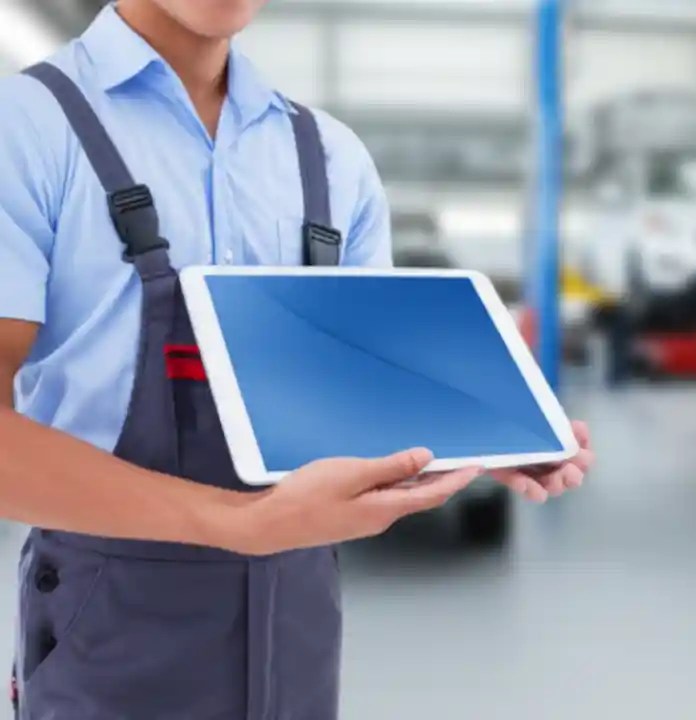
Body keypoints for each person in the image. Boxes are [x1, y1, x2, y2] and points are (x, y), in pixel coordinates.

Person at [0, 1, 594, 717]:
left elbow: (356, 396)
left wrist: (470, 430)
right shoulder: (26, 128)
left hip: (297, 624)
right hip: (108, 622)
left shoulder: (331, 157)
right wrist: (239, 522)